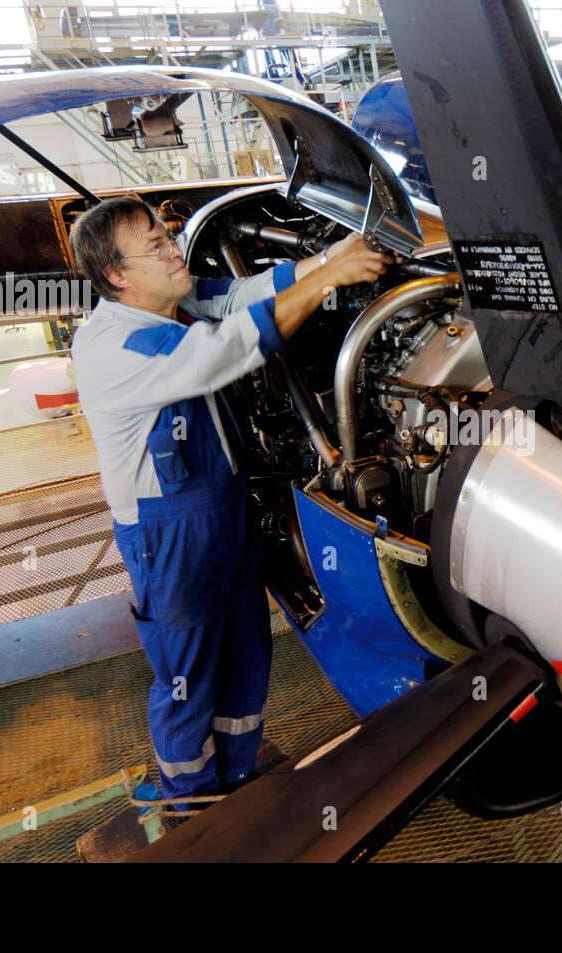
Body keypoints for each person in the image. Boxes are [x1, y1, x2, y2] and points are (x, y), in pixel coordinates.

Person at [68, 196, 391, 813]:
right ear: (116, 276)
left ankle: (235, 778)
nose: (172, 248)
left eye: (168, 234)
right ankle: (189, 803)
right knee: (188, 674)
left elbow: (240, 295)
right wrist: (329, 278)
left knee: (245, 649)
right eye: (156, 245)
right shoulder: (114, 347)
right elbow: (227, 348)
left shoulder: (171, 303)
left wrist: (328, 256)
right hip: (168, 534)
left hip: (222, 509)